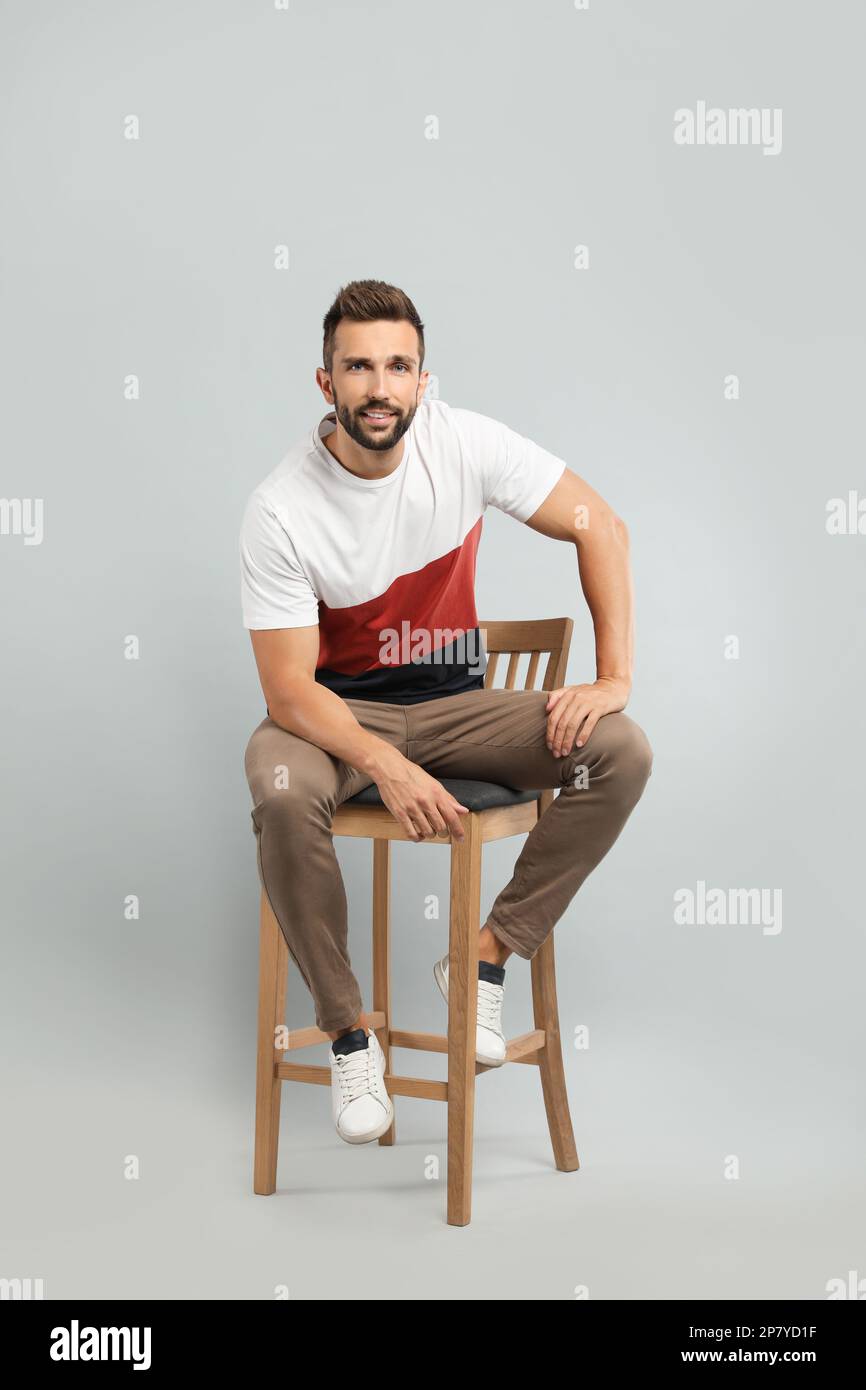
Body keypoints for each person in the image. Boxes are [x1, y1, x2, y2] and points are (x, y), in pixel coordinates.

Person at [240, 279, 653, 1144]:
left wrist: (612, 680)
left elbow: (600, 524)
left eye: (398, 366)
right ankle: (352, 1035)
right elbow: (288, 692)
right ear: (327, 384)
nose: (379, 386)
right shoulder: (280, 506)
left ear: (424, 380)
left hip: (459, 705)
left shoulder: (465, 444)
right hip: (337, 718)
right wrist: (388, 766)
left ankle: (484, 958)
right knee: (281, 787)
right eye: (358, 367)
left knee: (620, 751)